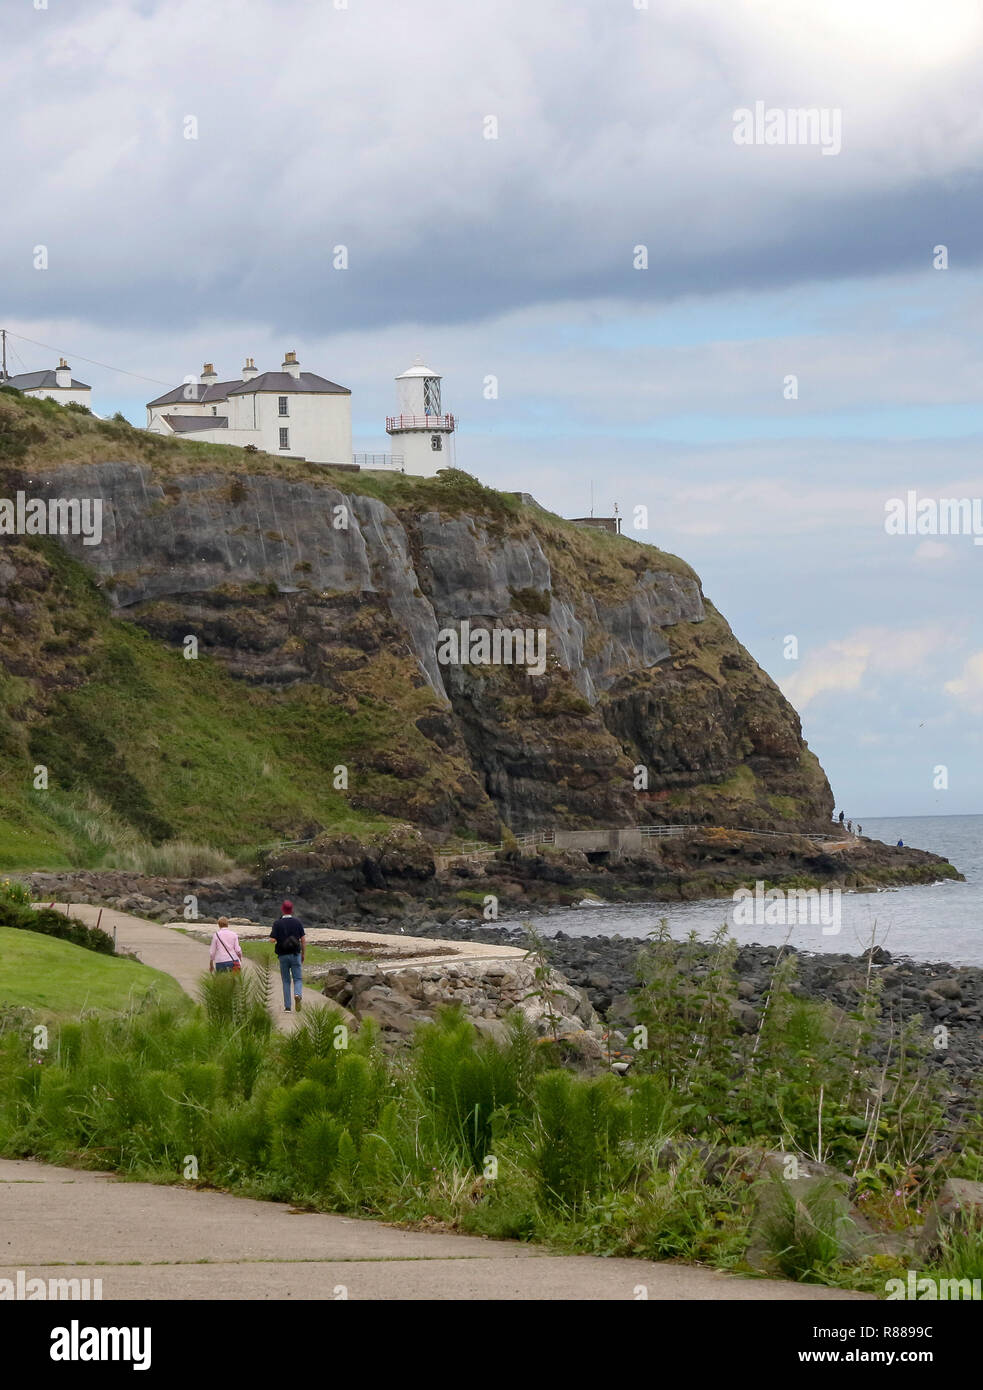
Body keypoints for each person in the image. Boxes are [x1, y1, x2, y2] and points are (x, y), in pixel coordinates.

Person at [270, 899, 305, 1012]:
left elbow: (273, 939)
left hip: (283, 955)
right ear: (291, 910)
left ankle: (288, 1007)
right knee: (298, 979)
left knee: (286, 981)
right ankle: (297, 994)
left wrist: (274, 940)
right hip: (295, 954)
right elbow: (303, 940)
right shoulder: (297, 922)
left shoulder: (277, 923)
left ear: (282, 909)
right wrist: (303, 954)